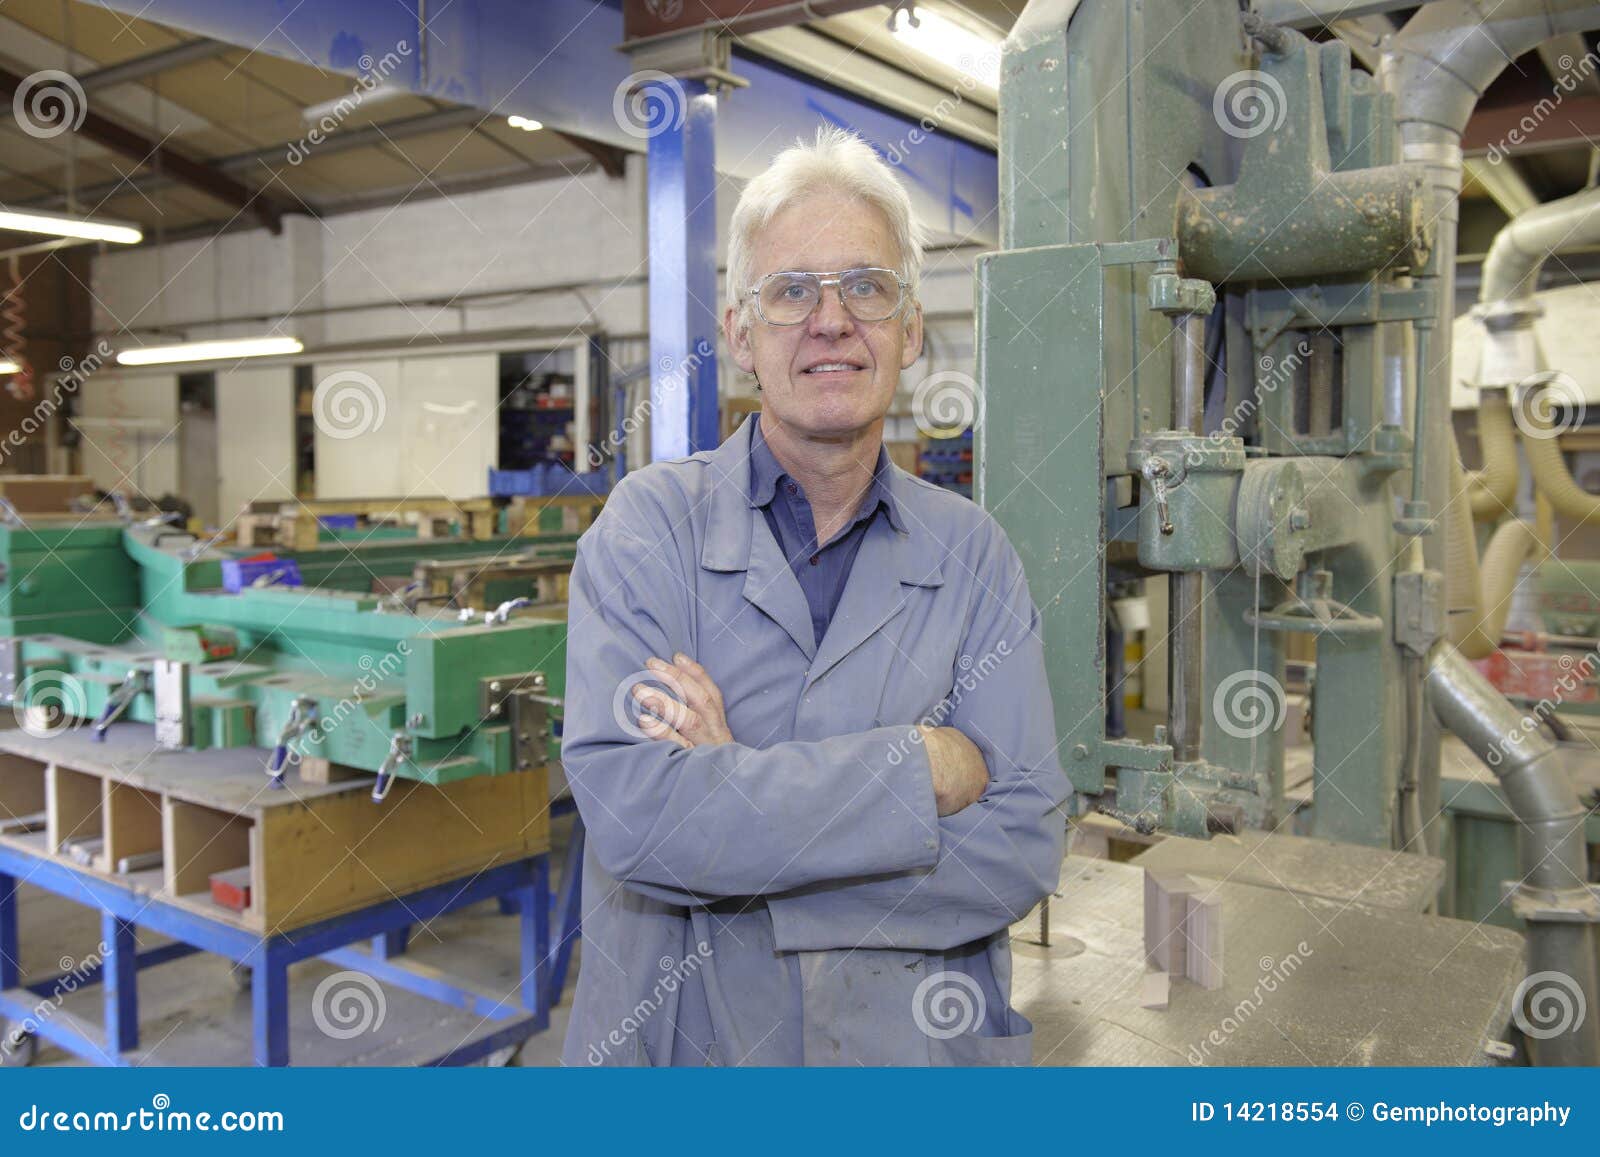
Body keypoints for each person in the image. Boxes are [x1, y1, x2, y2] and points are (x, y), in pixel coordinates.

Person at [560, 127, 1069, 1066]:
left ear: (910, 329)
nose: (830, 320)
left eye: (866, 287)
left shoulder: (975, 557)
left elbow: (1025, 842)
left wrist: (737, 837)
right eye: (791, 291)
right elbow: (640, 817)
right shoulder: (647, 531)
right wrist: (914, 772)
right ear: (740, 333)